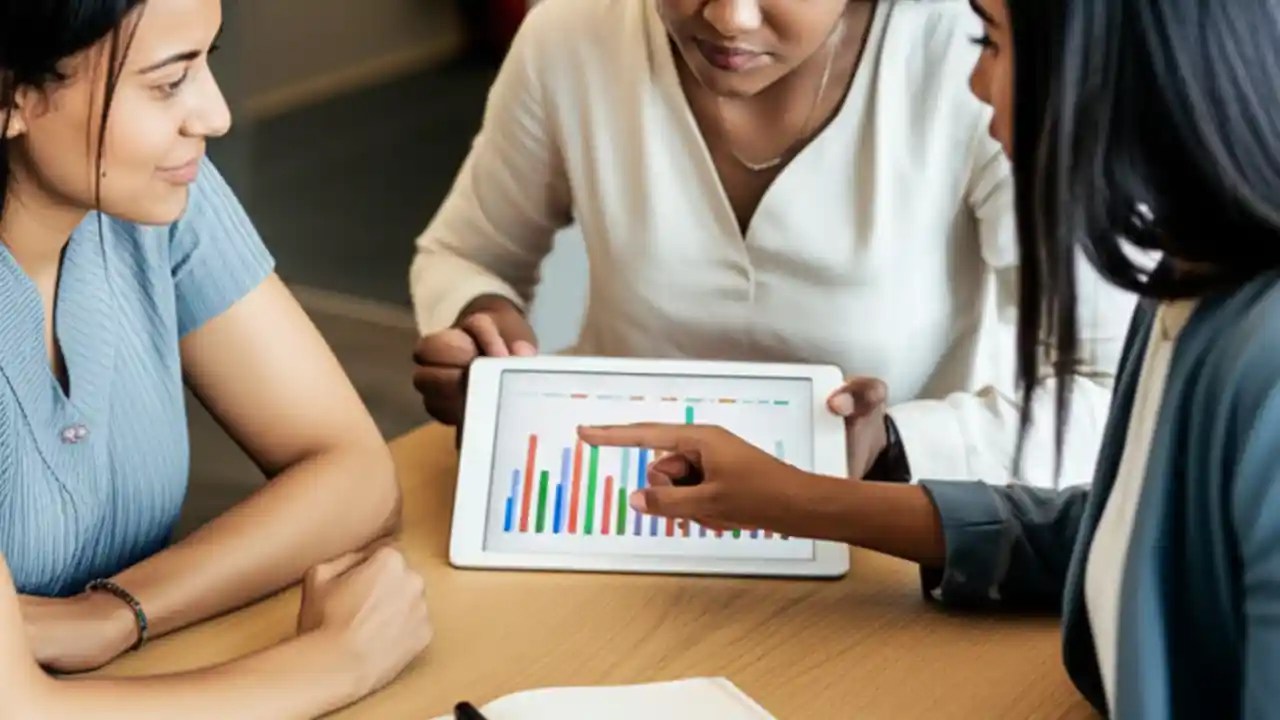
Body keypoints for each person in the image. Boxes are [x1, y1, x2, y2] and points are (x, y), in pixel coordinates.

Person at [580, 0, 1280, 714]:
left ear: (1115, 65)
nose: (976, 83)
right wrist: (799, 499)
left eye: (993, 44)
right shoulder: (1187, 293)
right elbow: (1121, 539)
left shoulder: (1264, 371)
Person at [409, 0, 1135, 488]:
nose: (727, 17)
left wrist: (895, 446)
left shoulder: (978, 59)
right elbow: (465, 255)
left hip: (893, 541)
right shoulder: (573, 33)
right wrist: (477, 321)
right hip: (621, 508)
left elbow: (1113, 393)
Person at [1, 0, 430, 709]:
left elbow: (350, 469)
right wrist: (338, 661)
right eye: (168, 82)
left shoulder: (146, 196)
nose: (216, 114)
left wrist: (112, 613)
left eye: (208, 62)